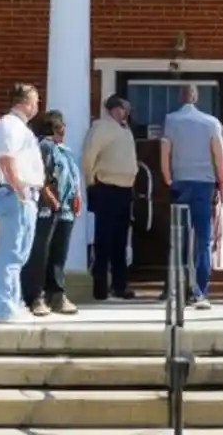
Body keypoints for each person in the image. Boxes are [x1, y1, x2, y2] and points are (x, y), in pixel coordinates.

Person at [160, 83, 223, 311]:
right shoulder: (211, 123)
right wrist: (222, 181)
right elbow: (220, 154)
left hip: (180, 181)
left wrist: (168, 178)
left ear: (181, 97)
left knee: (178, 238)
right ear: (196, 98)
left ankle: (176, 290)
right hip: (204, 183)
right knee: (203, 240)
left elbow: (165, 151)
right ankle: (200, 292)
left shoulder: (171, 120)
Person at [0, 82, 46, 324]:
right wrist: (20, 188)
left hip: (24, 194)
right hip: (16, 194)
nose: (37, 105)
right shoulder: (9, 125)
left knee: (19, 254)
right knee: (10, 254)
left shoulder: (20, 127)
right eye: (35, 100)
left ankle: (14, 301)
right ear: (24, 101)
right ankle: (6, 308)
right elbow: (6, 158)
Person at [22, 110, 83, 316]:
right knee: (41, 252)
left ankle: (56, 293)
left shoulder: (64, 150)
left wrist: (77, 195)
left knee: (59, 252)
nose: (64, 129)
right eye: (60, 125)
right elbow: (42, 177)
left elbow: (73, 176)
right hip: (47, 208)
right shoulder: (44, 147)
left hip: (65, 209)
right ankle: (35, 295)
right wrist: (50, 197)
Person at [82, 94, 139, 301]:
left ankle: (119, 285)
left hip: (125, 190)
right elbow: (89, 155)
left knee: (120, 241)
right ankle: (100, 287)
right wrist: (90, 182)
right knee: (103, 240)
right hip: (106, 187)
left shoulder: (125, 130)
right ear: (113, 109)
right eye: (122, 109)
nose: (125, 113)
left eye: (126, 110)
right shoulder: (102, 127)